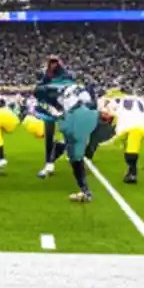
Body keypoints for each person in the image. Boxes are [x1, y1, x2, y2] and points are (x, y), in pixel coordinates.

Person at [34, 57, 99, 202]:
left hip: (74, 115)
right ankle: (52, 164)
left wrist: (56, 113)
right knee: (68, 142)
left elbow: (41, 97)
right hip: (90, 114)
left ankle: (85, 191)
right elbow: (91, 102)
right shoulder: (75, 84)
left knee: (73, 153)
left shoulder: (50, 87)